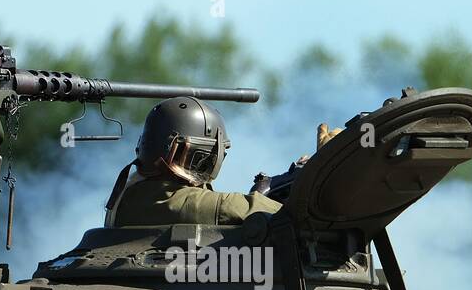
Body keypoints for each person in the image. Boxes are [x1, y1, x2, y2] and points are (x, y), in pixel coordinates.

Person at [105, 97, 341, 227]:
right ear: (202, 157)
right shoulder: (182, 203)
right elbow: (289, 214)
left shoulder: (131, 196)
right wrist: (322, 172)